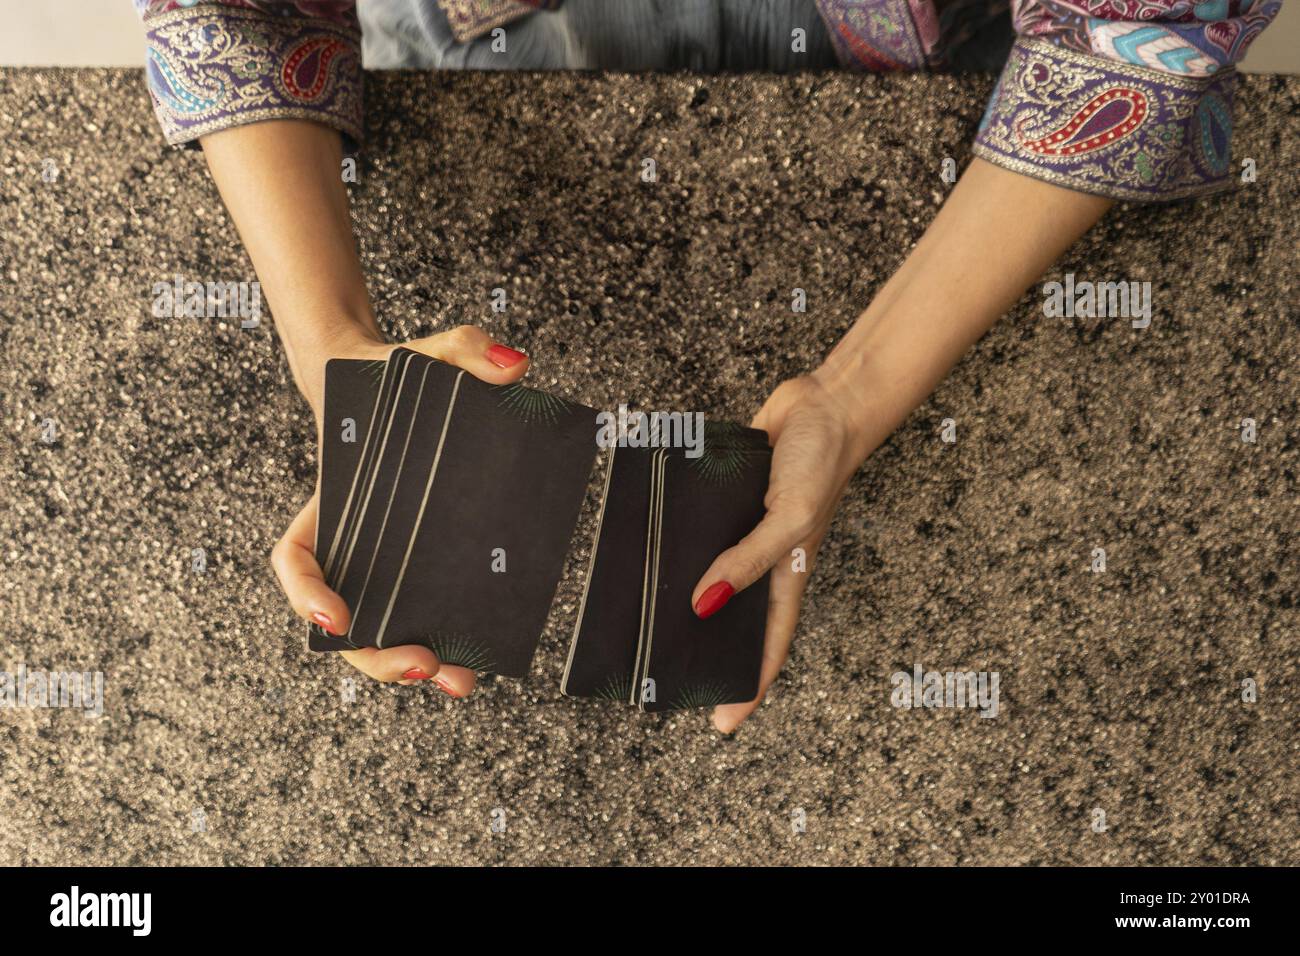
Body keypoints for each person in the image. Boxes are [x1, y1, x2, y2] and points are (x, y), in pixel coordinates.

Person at [132, 0, 1280, 730]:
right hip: (460, 72)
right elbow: (236, 9)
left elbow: (1150, 24)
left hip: (952, 144)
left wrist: (856, 391)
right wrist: (338, 361)